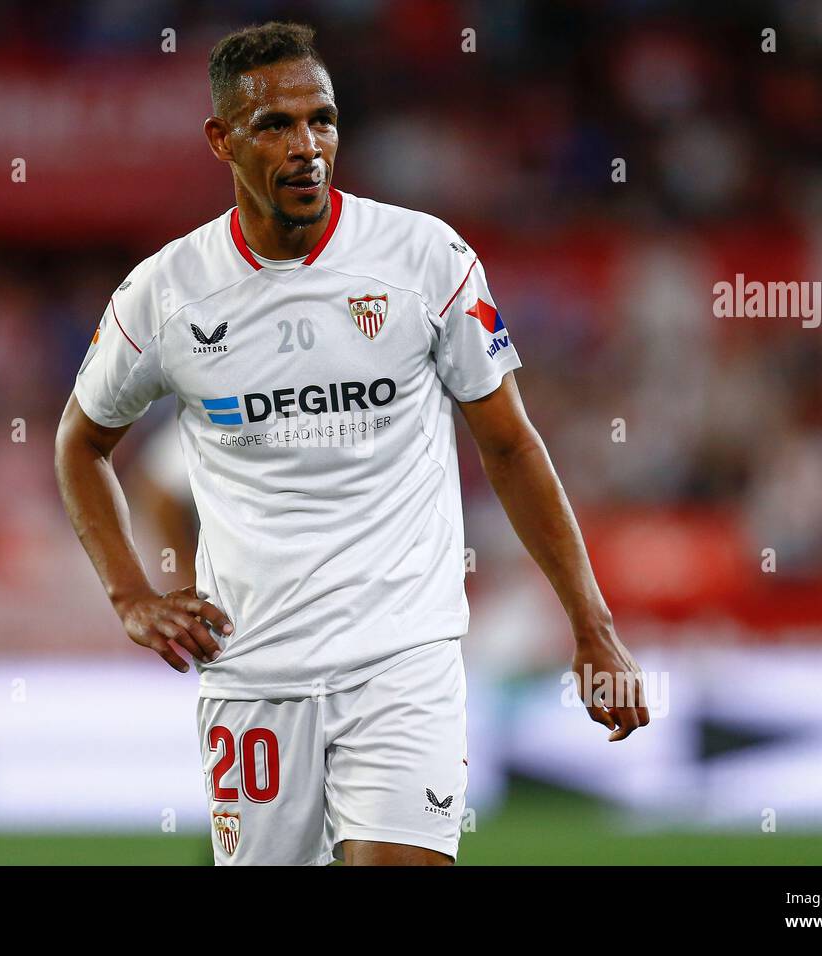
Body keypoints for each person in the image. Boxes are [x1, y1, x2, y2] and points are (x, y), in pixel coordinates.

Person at [55, 21, 648, 866]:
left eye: (322, 120)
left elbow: (512, 447)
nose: (307, 147)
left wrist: (592, 625)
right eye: (276, 126)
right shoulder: (166, 295)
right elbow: (81, 444)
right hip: (254, 672)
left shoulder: (425, 259)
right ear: (221, 140)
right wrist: (131, 595)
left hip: (403, 657)